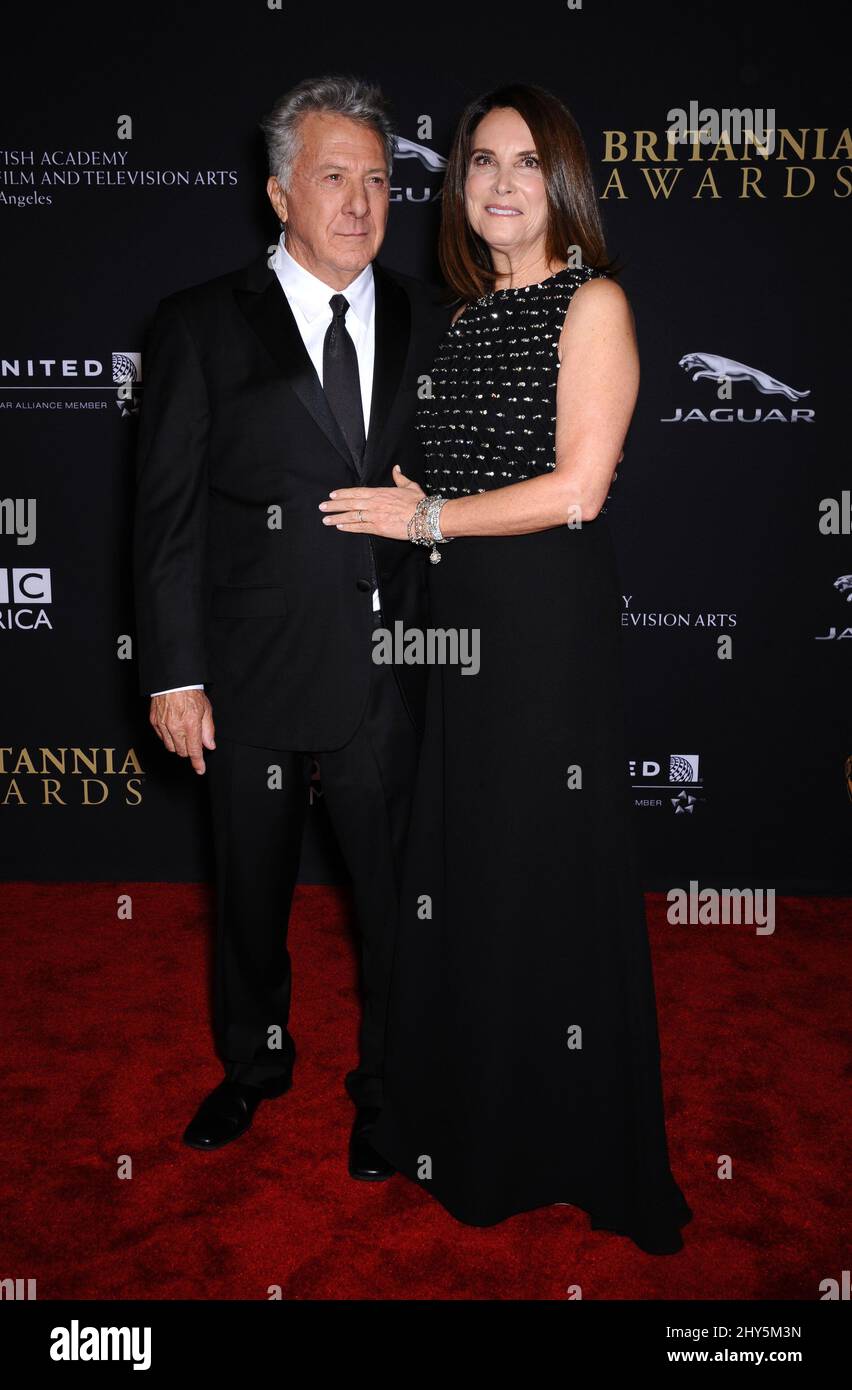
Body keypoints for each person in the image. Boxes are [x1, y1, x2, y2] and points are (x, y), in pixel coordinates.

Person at [319, 83, 693, 1253]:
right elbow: (439, 483)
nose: (498, 182)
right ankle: (474, 1126)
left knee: (543, 864)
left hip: (544, 628)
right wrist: (419, 518)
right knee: (471, 868)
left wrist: (430, 521)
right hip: (459, 624)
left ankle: (574, 1138)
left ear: (563, 182)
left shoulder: (597, 305)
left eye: (526, 162)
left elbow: (579, 490)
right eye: (480, 161)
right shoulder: (463, 319)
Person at [132, 75, 450, 1177]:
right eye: (332, 177)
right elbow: (165, 514)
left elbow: (460, 492)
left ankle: (390, 1087)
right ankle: (253, 1068)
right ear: (279, 193)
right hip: (251, 673)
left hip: (397, 671)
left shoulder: (429, 315)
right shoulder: (199, 323)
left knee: (398, 909)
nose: (361, 202)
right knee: (251, 896)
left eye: (377, 179)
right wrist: (175, 672)